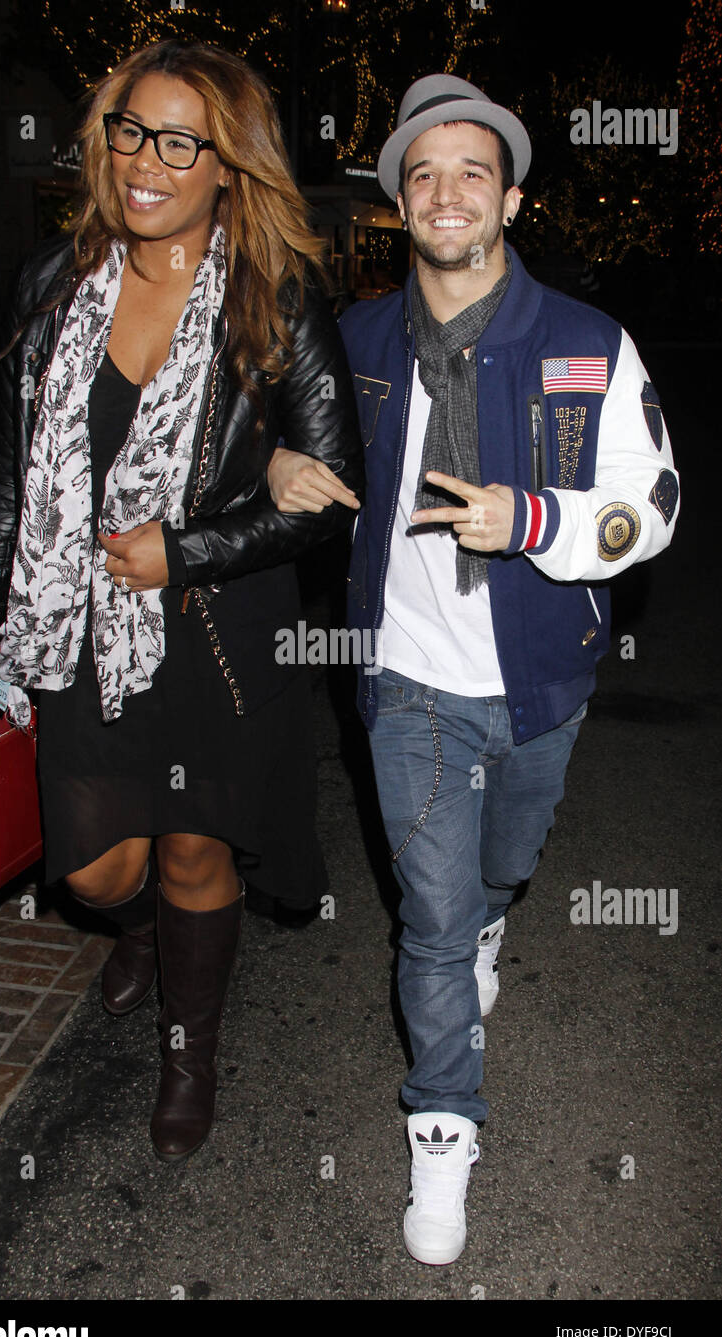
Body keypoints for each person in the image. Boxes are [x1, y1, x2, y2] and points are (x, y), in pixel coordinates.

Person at [269, 75, 679, 1263]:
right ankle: (443, 1127)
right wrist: (279, 469)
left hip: (540, 682)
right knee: (433, 919)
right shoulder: (351, 339)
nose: (447, 193)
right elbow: (273, 441)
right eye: (424, 174)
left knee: (501, 870)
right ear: (401, 202)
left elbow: (653, 504)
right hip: (406, 683)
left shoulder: (585, 342)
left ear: (508, 198)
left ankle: (496, 917)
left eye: (472, 172)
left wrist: (533, 519)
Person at [0, 39, 363, 1164]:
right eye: (132, 131)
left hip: (215, 635)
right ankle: (136, 930)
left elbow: (332, 495)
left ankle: (191, 1053)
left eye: (182, 143)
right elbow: (3, 470)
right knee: (98, 869)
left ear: (228, 165)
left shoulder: (272, 298)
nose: (147, 162)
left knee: (193, 854)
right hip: (79, 630)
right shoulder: (54, 283)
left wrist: (183, 551)